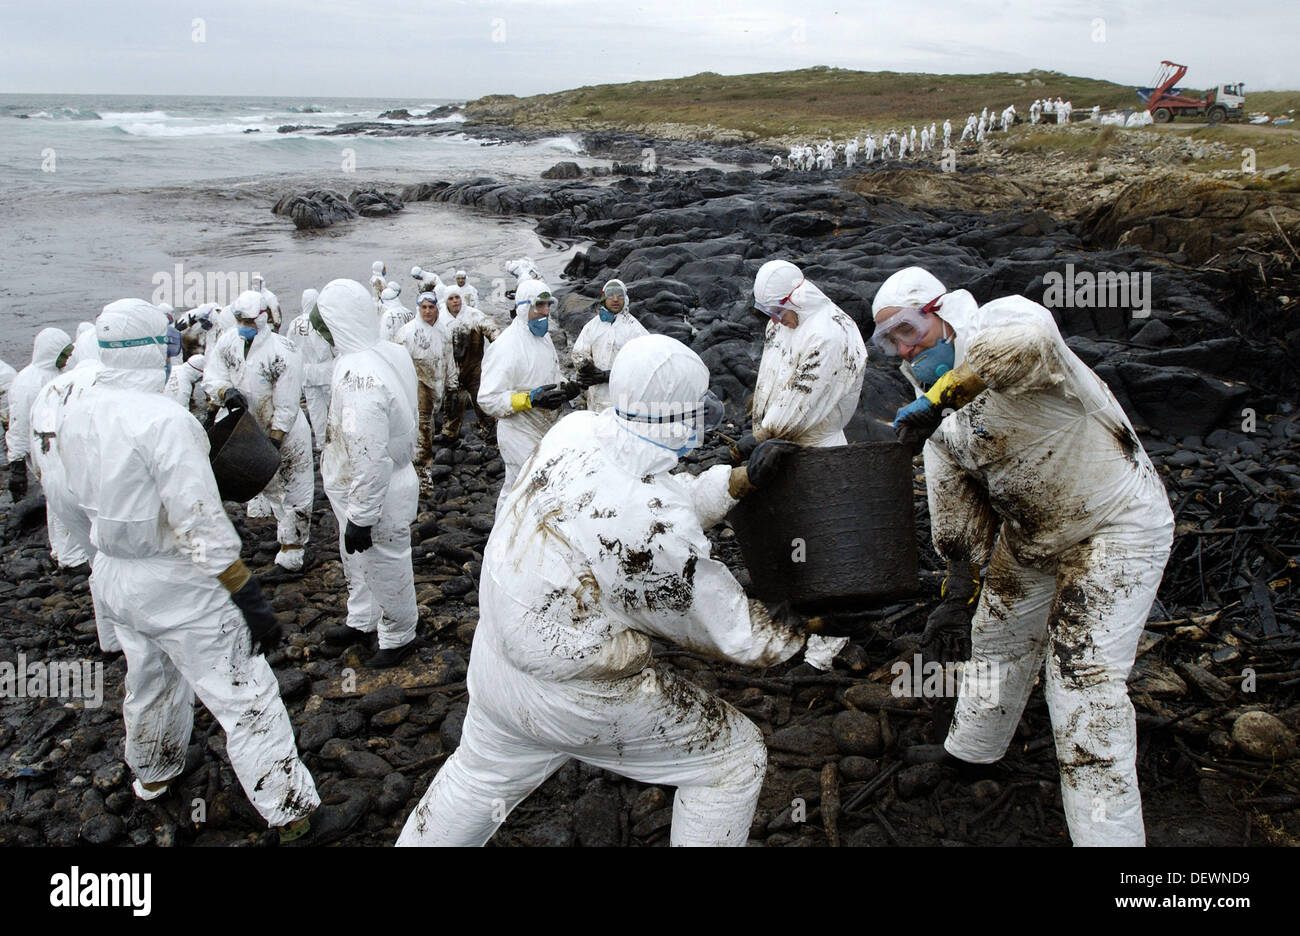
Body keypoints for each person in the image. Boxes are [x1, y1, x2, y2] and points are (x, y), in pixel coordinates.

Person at [397, 335, 811, 847]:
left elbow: (659, 496)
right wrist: (803, 630)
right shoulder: (652, 529)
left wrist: (736, 482)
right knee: (733, 761)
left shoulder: (577, 431)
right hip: (577, 697)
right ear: (681, 419)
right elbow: (732, 631)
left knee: (478, 777)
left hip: (498, 662)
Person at [871, 266, 1174, 847]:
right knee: (997, 640)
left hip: (1115, 523)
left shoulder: (1003, 321)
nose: (906, 348)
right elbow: (955, 502)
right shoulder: (934, 413)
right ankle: (973, 752)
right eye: (891, 341)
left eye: (910, 329)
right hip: (1033, 531)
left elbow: (1027, 344)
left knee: (1082, 678)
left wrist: (943, 394)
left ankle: (1110, 840)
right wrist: (956, 589)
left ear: (943, 309)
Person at [56, 299, 362, 845]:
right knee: (244, 692)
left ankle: (153, 771)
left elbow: (69, 500)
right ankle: (288, 809)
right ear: (153, 349)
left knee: (149, 678)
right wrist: (248, 597)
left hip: (116, 576)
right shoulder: (165, 421)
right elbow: (200, 522)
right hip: (177, 583)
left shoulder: (77, 411)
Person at [312, 278, 421, 668]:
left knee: (386, 562)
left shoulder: (360, 377)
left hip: (377, 490)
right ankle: (363, 619)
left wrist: (361, 515)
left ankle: (399, 636)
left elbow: (370, 453)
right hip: (370, 485)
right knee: (357, 559)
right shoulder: (386, 352)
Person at [203, 289, 313, 572]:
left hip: (285, 432)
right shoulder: (228, 342)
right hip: (248, 427)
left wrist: (274, 441)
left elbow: (287, 403)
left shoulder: (283, 351)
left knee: (294, 487)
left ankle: (293, 551)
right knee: (272, 487)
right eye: (240, 319)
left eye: (250, 321)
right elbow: (212, 376)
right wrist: (224, 391)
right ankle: (282, 533)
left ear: (264, 318)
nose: (245, 326)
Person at [739, 260, 866, 457]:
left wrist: (761, 437)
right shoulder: (779, 325)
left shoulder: (828, 335)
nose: (774, 319)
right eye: (767, 312)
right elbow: (775, 373)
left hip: (818, 451)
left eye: (777, 311)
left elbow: (804, 400)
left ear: (798, 298)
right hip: (776, 446)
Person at [477, 279, 581, 515]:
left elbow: (551, 373)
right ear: (524, 307)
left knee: (538, 488)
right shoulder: (506, 347)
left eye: (548, 305)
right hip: (519, 433)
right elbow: (488, 398)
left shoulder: (542, 338)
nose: (545, 312)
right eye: (539, 306)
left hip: (546, 428)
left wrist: (567, 388)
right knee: (520, 488)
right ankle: (502, 543)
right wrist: (530, 400)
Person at [30, 326, 100, 570]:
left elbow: (36, 432)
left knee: (90, 552)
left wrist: (40, 471)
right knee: (109, 555)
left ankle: (68, 558)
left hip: (54, 475)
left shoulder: (49, 388)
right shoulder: (101, 381)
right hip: (86, 480)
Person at [6, 327, 72, 502]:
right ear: (50, 354)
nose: (67, 360)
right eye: (63, 356)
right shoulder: (27, 383)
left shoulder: (60, 374)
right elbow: (19, 424)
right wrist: (17, 464)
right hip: (43, 449)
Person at [396, 291, 458, 466]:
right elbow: (397, 365)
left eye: (431, 307)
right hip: (417, 387)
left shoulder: (444, 330)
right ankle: (423, 475)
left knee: (428, 427)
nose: (427, 311)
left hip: (436, 389)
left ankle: (419, 462)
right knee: (422, 427)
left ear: (437, 308)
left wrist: (452, 383)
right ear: (419, 309)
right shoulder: (406, 334)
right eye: (424, 307)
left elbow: (449, 357)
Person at [570, 278, 649, 413]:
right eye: (610, 294)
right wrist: (586, 368)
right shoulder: (592, 326)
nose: (615, 299)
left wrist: (609, 376)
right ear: (603, 297)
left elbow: (645, 364)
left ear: (626, 298)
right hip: (597, 395)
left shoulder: (635, 329)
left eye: (619, 295)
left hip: (625, 396)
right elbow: (579, 352)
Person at [439, 285, 501, 446]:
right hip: (452, 372)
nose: (455, 301)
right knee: (452, 403)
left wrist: (497, 345)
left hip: (475, 370)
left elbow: (494, 332)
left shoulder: (474, 315)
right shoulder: (440, 320)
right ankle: (450, 435)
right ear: (446, 301)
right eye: (451, 299)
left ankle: (491, 437)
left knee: (482, 403)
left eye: (457, 297)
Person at [284, 288, 336, 451]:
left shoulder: (294, 324)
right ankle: (337, 439)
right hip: (326, 371)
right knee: (334, 408)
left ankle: (321, 444)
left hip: (306, 372)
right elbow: (334, 346)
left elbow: (289, 347)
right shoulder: (322, 320)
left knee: (315, 410)